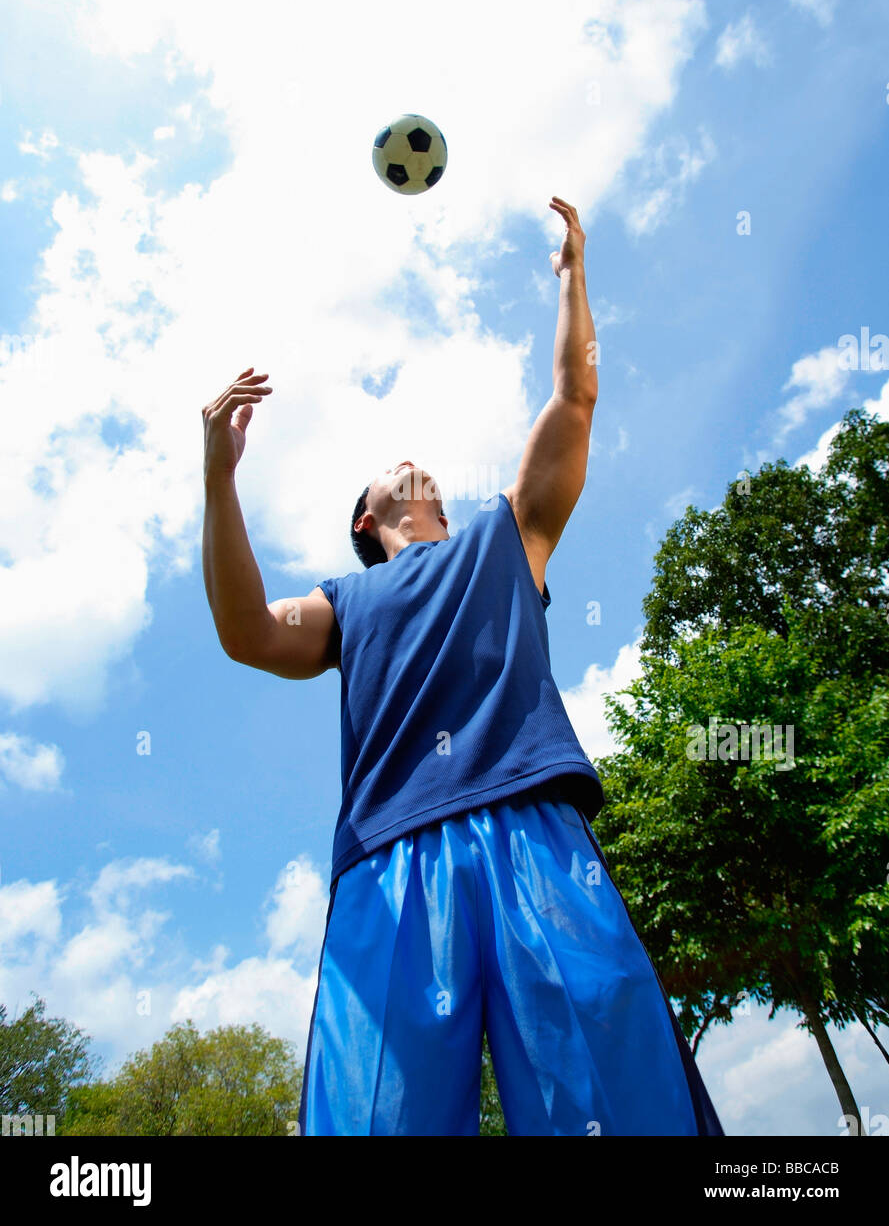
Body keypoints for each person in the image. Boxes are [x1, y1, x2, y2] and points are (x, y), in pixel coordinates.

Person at [200, 197, 725, 1137]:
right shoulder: (343, 602)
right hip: (390, 860)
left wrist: (573, 279)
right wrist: (218, 477)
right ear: (367, 521)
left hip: (532, 834)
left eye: (420, 463)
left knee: (609, 1106)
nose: (412, 463)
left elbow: (573, 399)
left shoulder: (505, 538)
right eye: (389, 470)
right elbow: (244, 630)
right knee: (379, 1120)